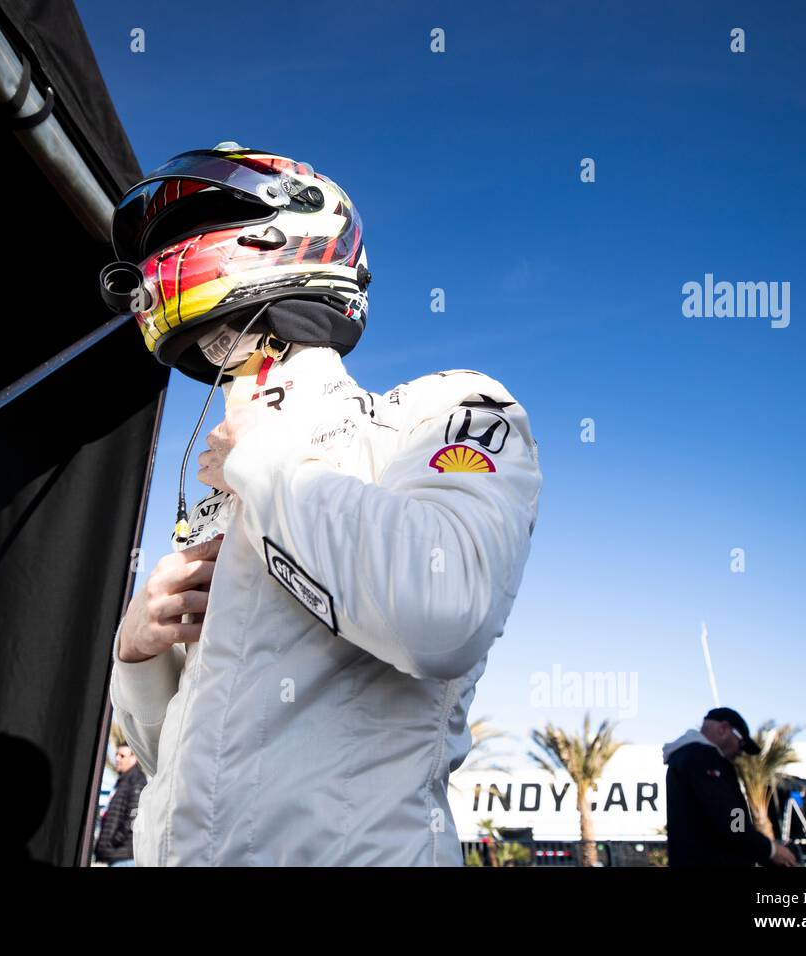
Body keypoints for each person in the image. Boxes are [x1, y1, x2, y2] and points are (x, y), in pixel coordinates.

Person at [102, 142, 543, 865]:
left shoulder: (441, 408)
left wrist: (262, 458)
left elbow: (442, 613)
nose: (167, 262)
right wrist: (139, 652)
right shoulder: (225, 492)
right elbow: (176, 767)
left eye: (195, 228)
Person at [662, 707, 798, 868]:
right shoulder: (705, 758)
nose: (741, 752)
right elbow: (732, 818)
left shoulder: (684, 758)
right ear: (723, 729)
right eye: (741, 743)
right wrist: (770, 850)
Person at [94, 744, 146, 866]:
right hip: (117, 855)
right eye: (116, 754)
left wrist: (115, 840)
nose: (117, 758)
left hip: (124, 856)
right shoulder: (123, 781)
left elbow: (134, 816)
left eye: (122, 756)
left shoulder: (136, 781)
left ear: (134, 758)